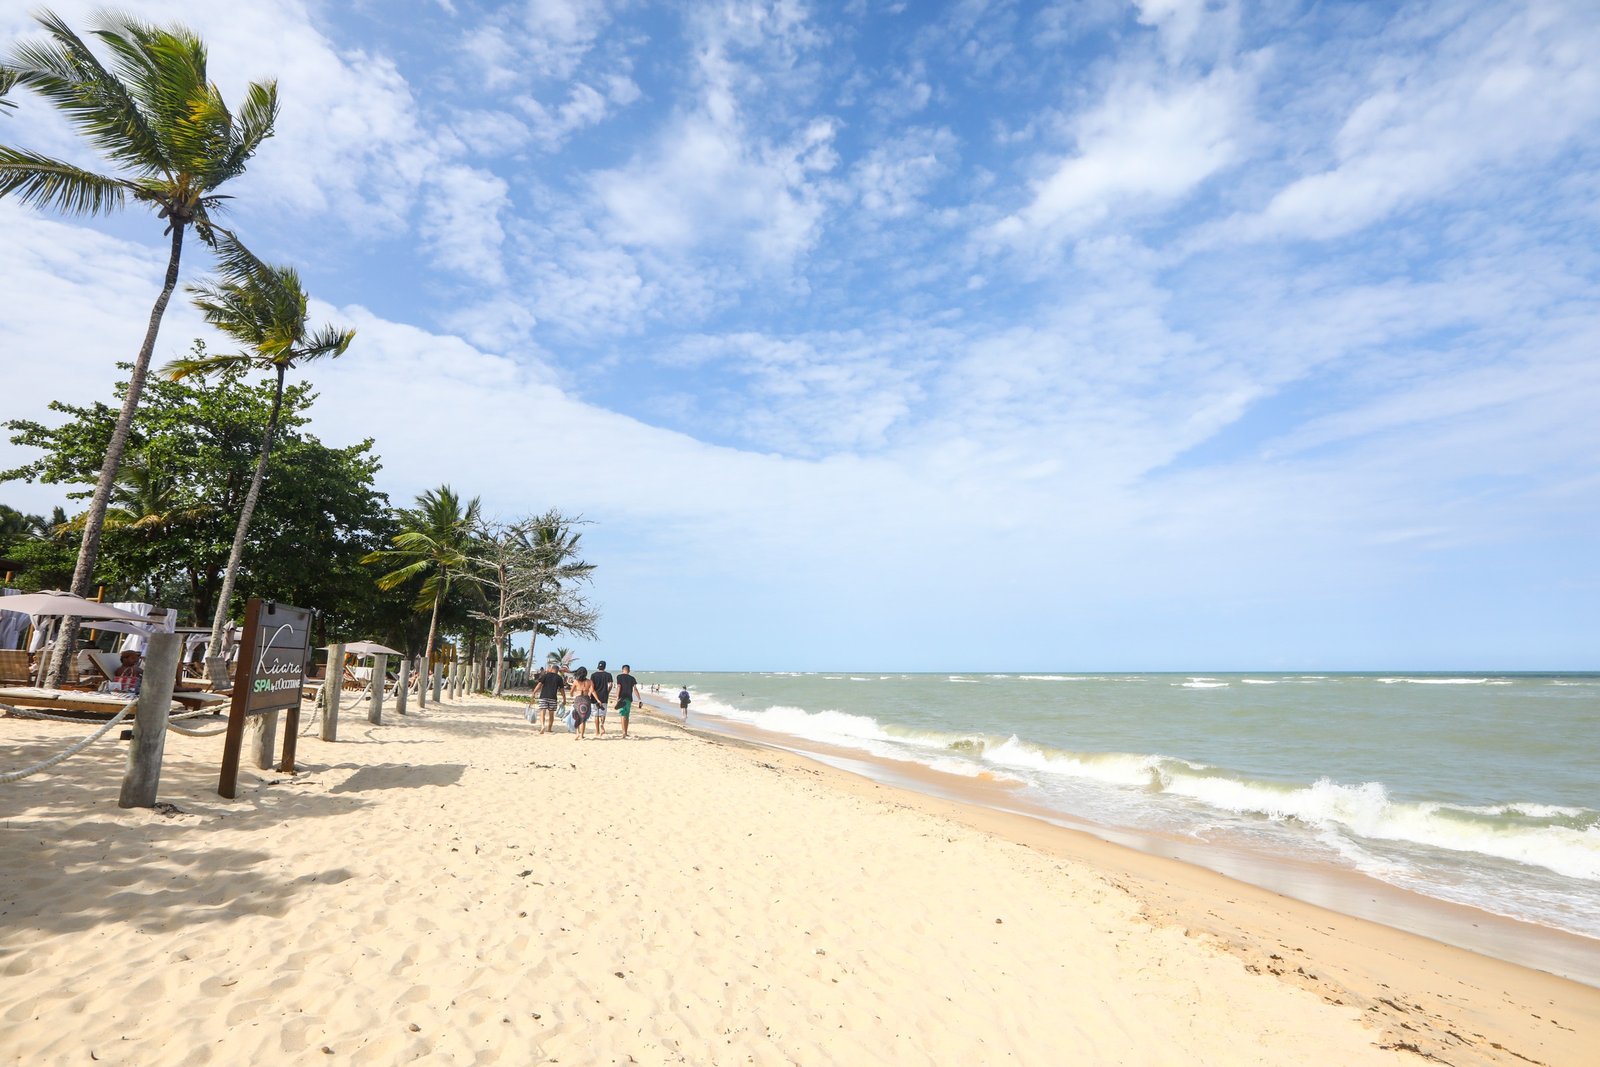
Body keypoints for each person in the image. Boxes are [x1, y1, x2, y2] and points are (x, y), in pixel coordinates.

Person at [532, 664, 565, 733]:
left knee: (542, 713)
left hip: (543, 696)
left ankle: (542, 726)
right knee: (551, 714)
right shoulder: (559, 678)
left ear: (552, 669)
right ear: (557, 670)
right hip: (553, 698)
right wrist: (564, 698)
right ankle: (549, 729)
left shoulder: (545, 675)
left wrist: (534, 693)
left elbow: (539, 685)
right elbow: (562, 690)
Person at [570, 666, 597, 740]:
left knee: (577, 717)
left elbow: (571, 692)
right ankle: (581, 735)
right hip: (586, 700)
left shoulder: (576, 681)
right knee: (583, 719)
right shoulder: (589, 681)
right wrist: (598, 700)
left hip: (578, 700)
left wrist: (572, 695)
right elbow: (592, 691)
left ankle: (577, 733)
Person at [614, 665, 639, 738]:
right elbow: (635, 689)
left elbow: (619, 686)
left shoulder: (619, 676)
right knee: (627, 715)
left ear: (622, 670)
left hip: (622, 698)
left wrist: (617, 697)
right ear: (629, 670)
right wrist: (639, 699)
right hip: (629, 698)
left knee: (622, 714)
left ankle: (624, 732)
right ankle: (626, 732)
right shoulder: (632, 678)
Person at [590, 660, 613, 737]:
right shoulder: (608, 675)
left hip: (595, 697)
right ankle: (602, 724)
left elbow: (592, 687)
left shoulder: (593, 675)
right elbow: (610, 685)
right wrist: (608, 692)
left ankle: (597, 731)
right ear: (605, 667)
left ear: (598, 666)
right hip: (604, 696)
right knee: (602, 713)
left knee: (596, 715)